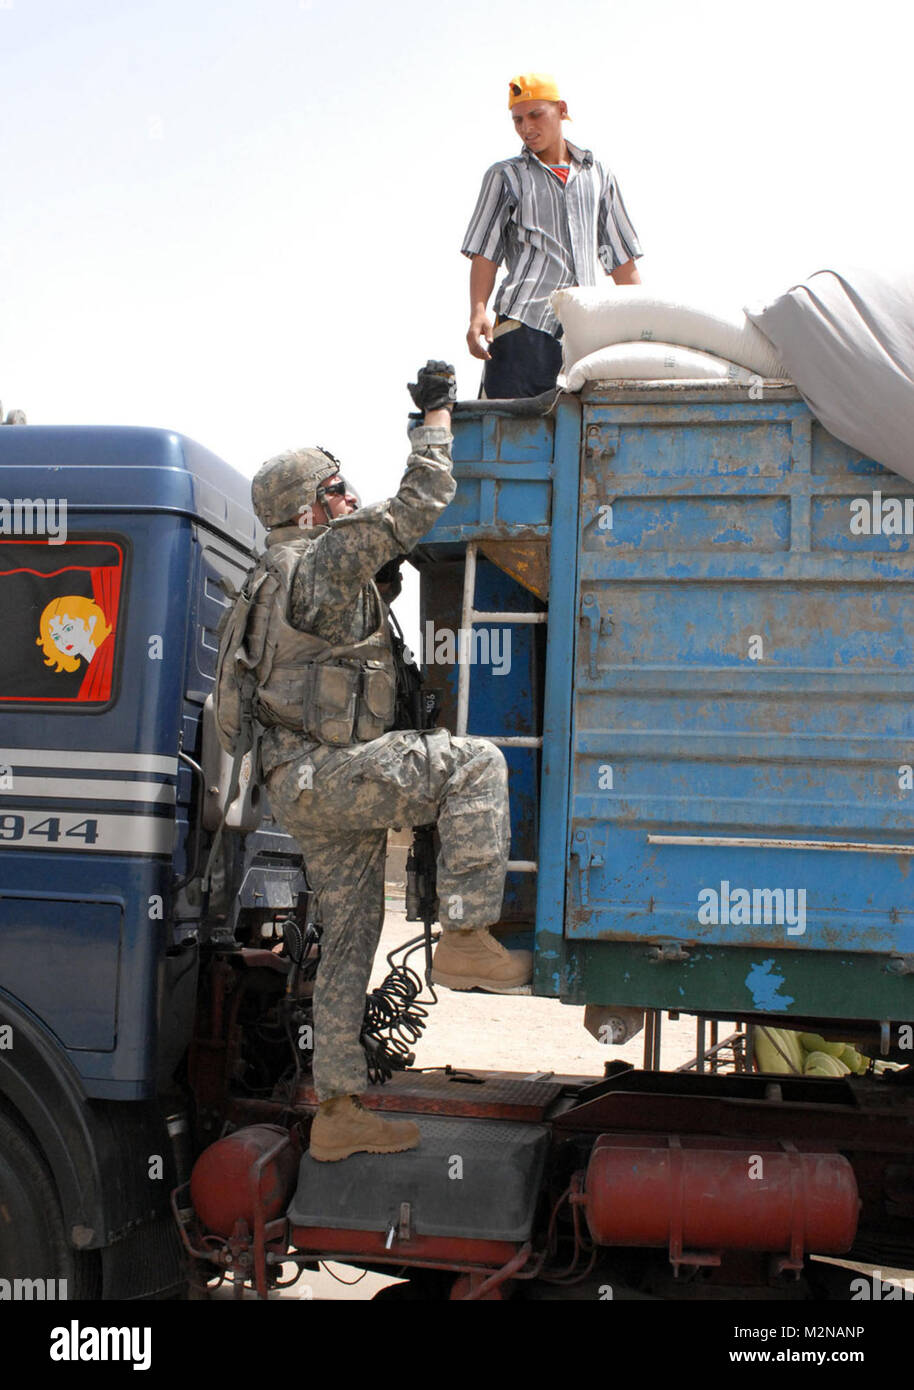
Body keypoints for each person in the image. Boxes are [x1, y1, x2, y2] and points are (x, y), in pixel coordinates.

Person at [246, 362, 532, 1163]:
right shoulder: (325, 557)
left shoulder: (269, 577)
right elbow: (420, 502)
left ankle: (337, 1112)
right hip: (330, 773)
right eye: (336, 489)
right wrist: (434, 420)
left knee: (350, 937)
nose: (348, 496)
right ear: (308, 507)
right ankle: (468, 936)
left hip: (301, 781)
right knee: (474, 765)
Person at [462, 72, 643, 399]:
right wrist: (478, 312)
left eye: (535, 115)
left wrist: (647, 322)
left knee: (582, 438)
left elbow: (619, 257)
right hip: (525, 328)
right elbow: (485, 253)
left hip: (583, 335)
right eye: (517, 120)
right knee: (516, 439)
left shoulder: (598, 175)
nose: (526, 127)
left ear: (561, 109)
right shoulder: (506, 176)